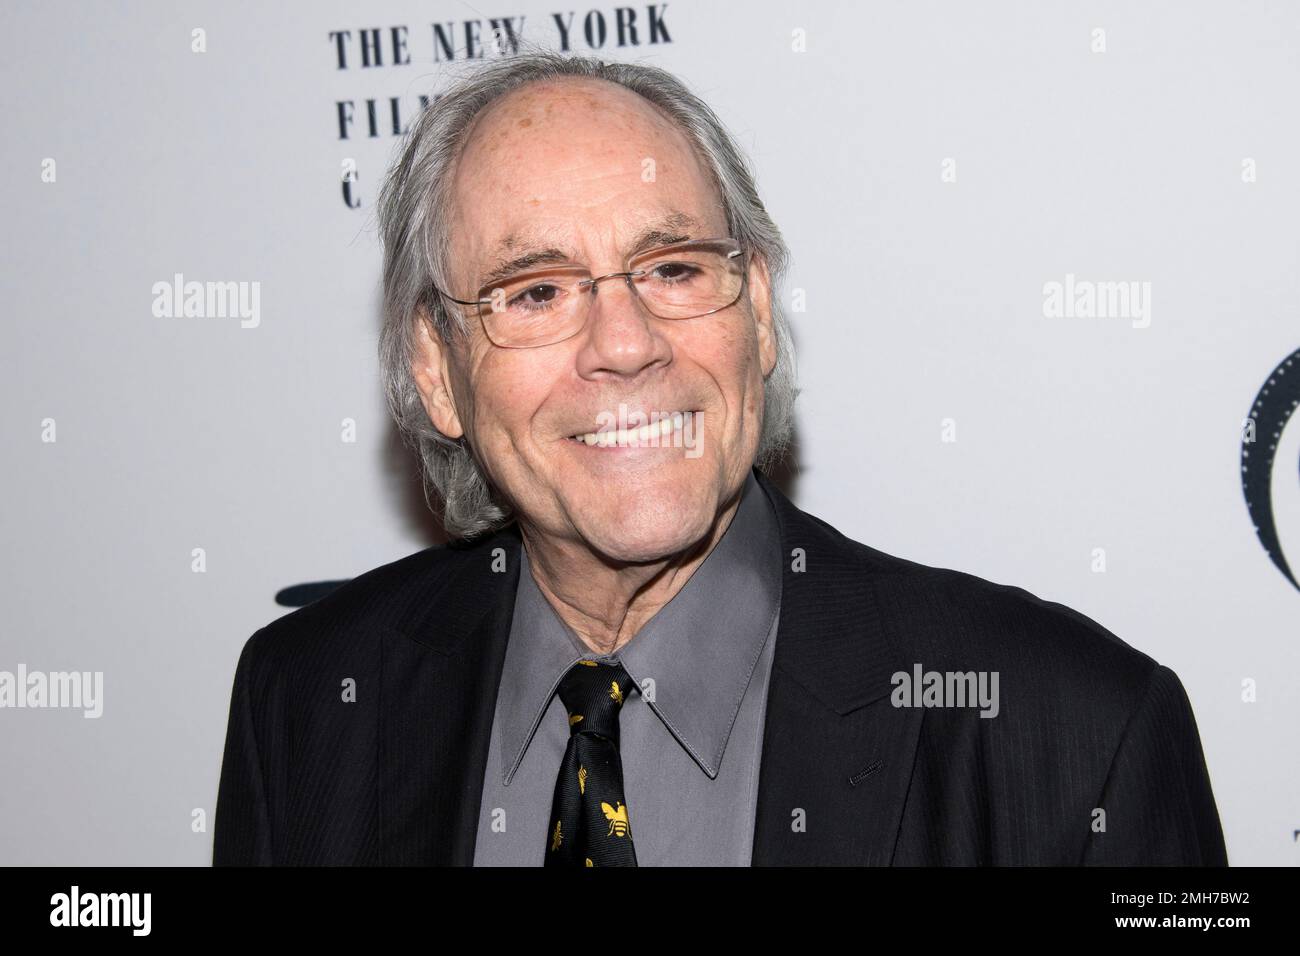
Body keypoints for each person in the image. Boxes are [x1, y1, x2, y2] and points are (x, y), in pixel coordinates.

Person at [214, 51, 1227, 866]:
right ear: (437, 369)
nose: (624, 341)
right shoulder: (309, 700)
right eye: (536, 291)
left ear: (755, 309)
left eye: (673, 268)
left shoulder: (1070, 734)